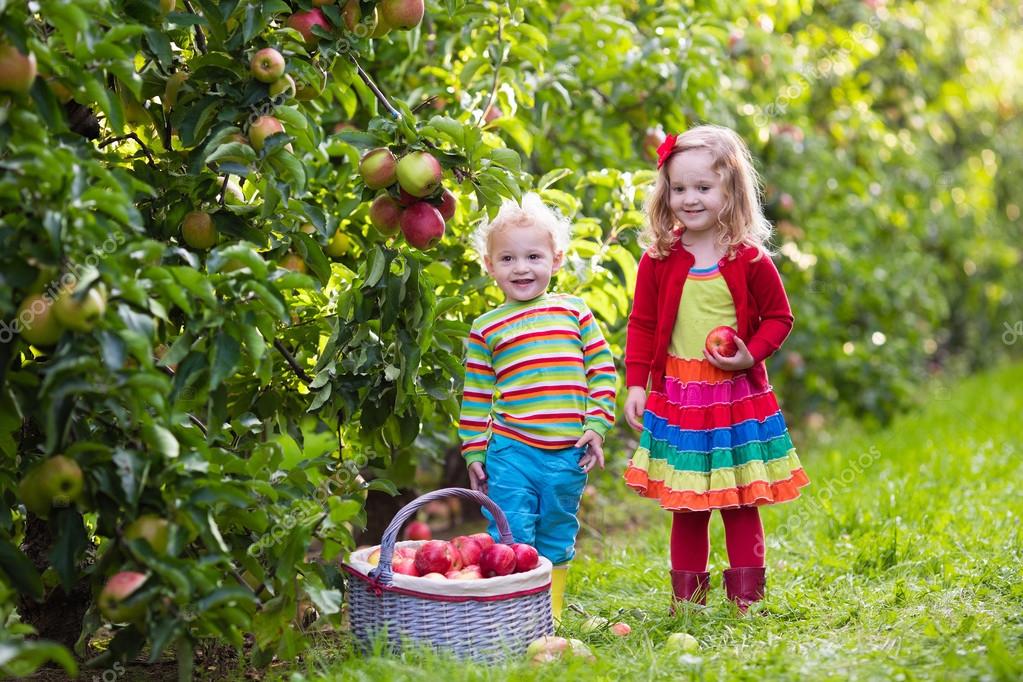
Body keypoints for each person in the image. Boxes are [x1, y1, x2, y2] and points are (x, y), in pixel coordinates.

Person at [623, 124, 810, 612]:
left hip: (733, 398)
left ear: (730, 192)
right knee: (687, 505)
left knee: (740, 500)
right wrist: (637, 384)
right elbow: (642, 324)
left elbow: (778, 317)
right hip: (681, 398)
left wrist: (750, 353)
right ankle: (688, 602)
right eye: (679, 188)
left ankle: (747, 598)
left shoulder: (747, 257)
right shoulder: (659, 258)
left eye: (703, 188)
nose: (690, 198)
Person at [458, 193, 617, 622]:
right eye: (507, 259)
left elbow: (602, 372)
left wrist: (596, 425)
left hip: (566, 451)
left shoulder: (574, 312)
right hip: (511, 450)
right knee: (510, 530)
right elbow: (475, 395)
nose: (522, 267)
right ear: (489, 266)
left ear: (557, 259)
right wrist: (474, 449)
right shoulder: (486, 328)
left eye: (533, 256)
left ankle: (551, 615)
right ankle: (510, 615)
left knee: (557, 530)